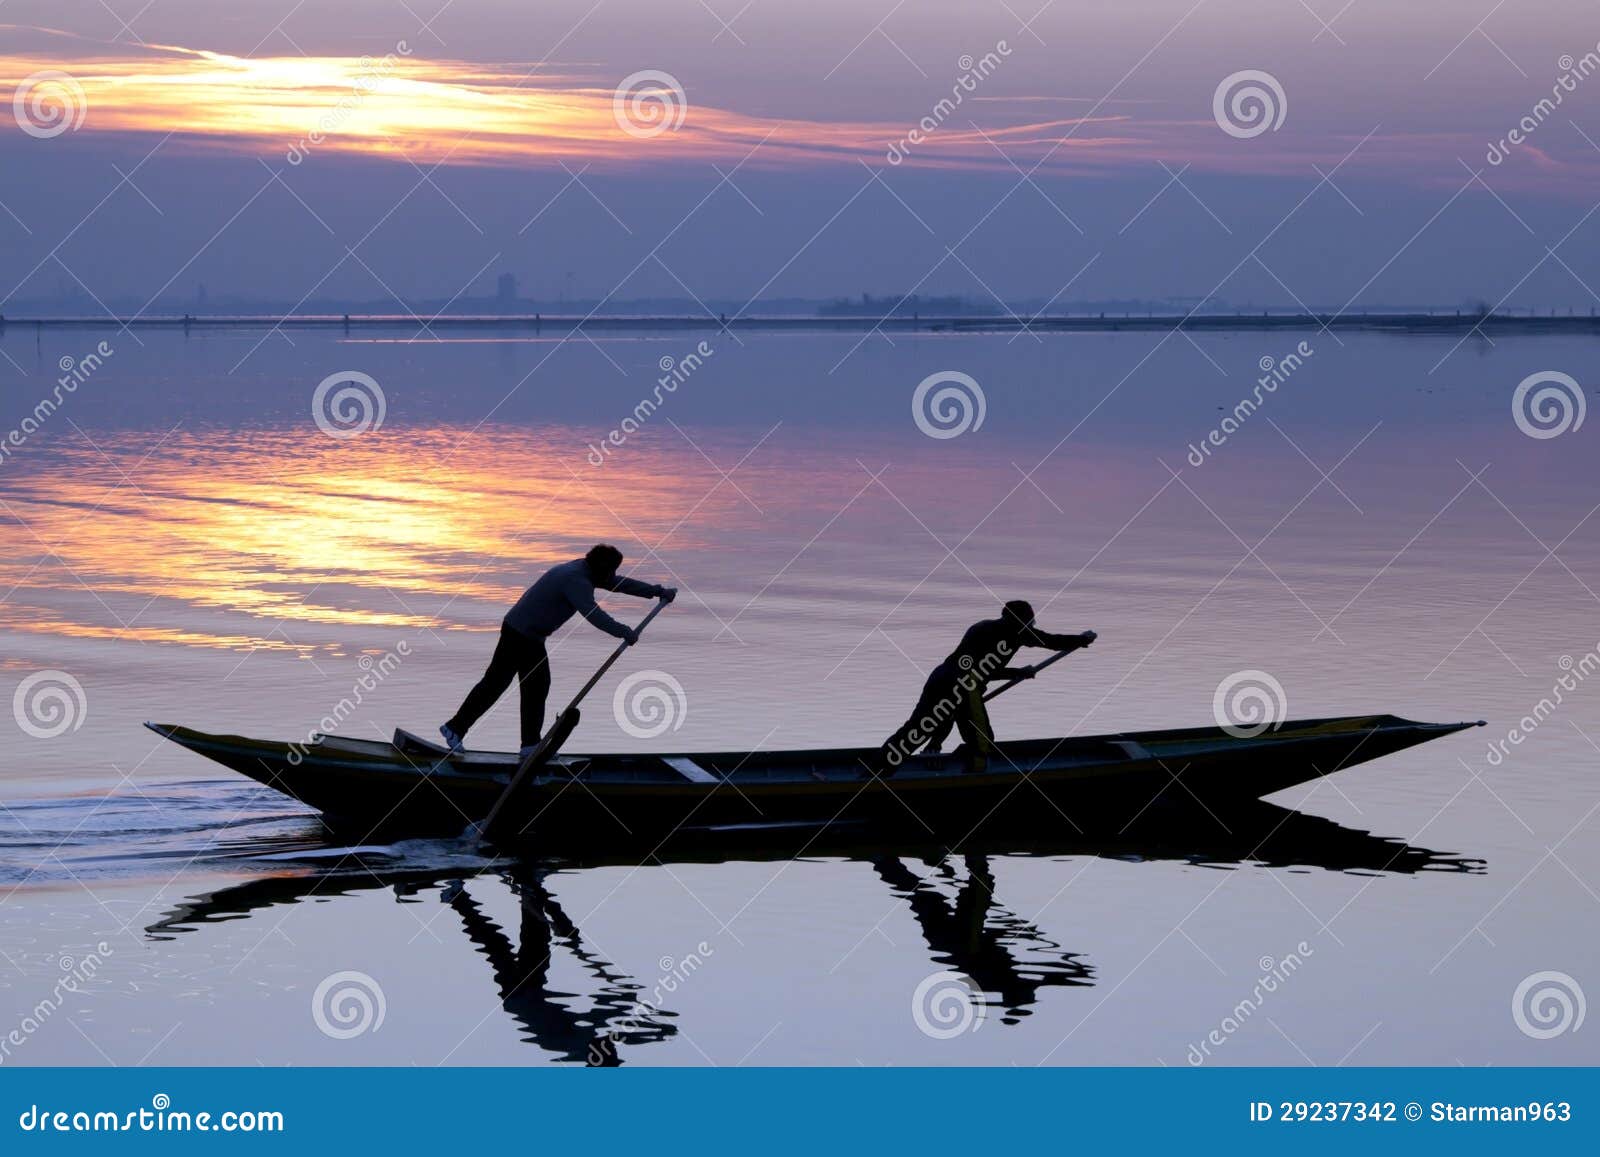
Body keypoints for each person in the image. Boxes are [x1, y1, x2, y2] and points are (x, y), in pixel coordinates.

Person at [441, 544, 675, 758]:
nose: (612, 575)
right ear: (601, 567)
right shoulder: (576, 580)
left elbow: (619, 584)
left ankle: (515, 741)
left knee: (525, 687)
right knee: (511, 685)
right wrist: (624, 631)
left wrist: (656, 591)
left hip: (525, 633)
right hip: (521, 635)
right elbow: (594, 614)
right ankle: (465, 730)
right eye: (611, 570)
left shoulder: (587, 570)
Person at [869, 600, 1095, 775]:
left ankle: (878, 770)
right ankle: (975, 776)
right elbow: (1050, 641)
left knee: (917, 729)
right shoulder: (1014, 632)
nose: (1029, 627)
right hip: (964, 684)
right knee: (981, 740)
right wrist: (1081, 640)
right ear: (1020, 621)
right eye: (1028, 623)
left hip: (940, 677)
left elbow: (983, 668)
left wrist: (1018, 672)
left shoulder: (983, 627)